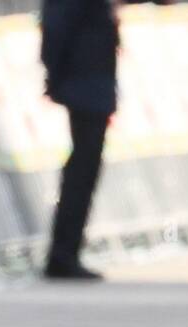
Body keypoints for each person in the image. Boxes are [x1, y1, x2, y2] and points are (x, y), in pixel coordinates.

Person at [41, 0, 120, 280]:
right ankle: (63, 255)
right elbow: (56, 28)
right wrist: (56, 78)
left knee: (85, 168)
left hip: (91, 83)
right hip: (85, 84)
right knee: (82, 169)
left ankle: (66, 253)